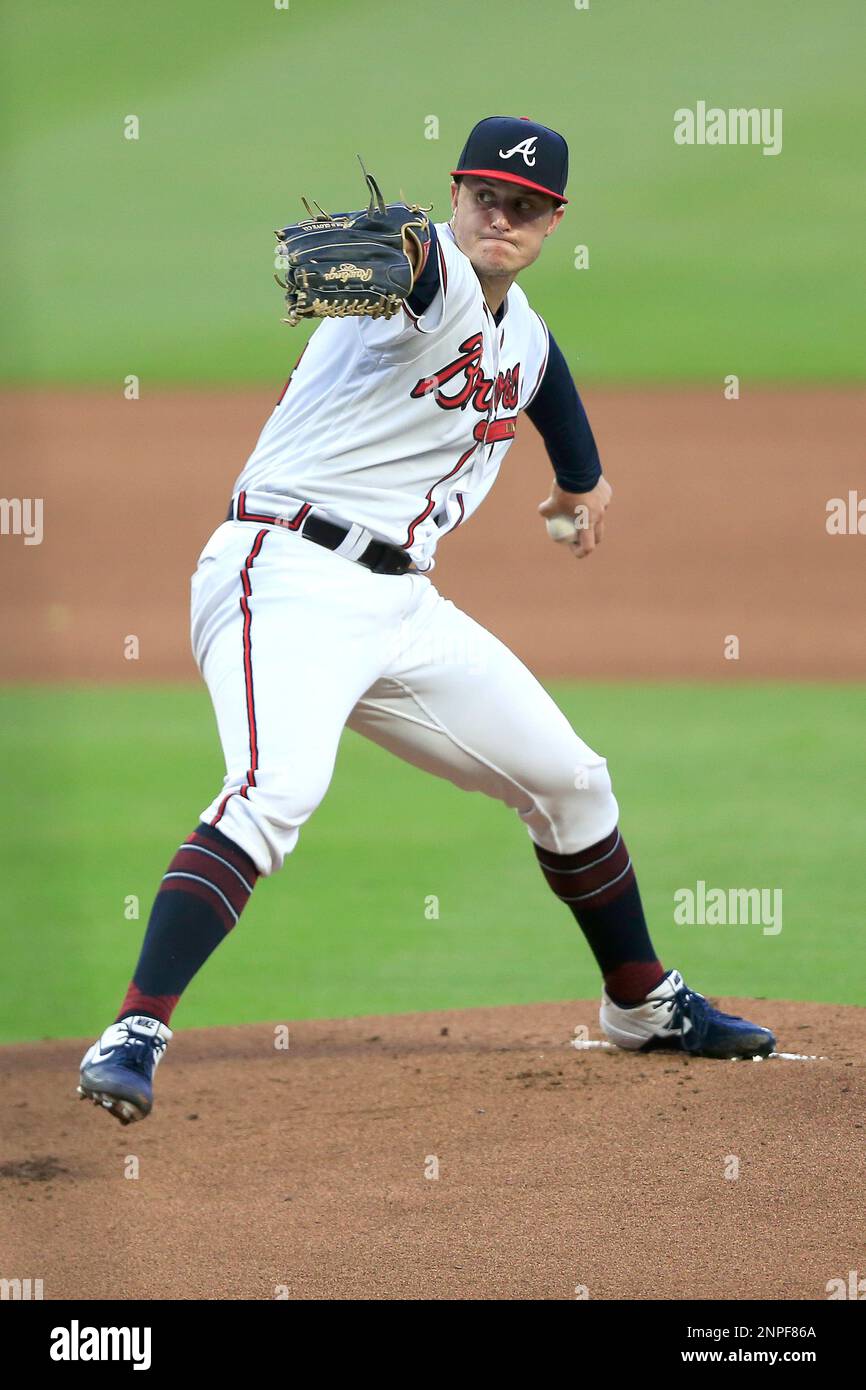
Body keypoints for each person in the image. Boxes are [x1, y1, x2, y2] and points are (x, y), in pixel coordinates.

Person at [78, 116, 775, 1127]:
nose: (501, 216)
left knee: (572, 781)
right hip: (284, 575)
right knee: (276, 790)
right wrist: (403, 256)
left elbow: (543, 376)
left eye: (524, 206)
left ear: (551, 223)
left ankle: (639, 1003)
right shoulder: (429, 273)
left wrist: (581, 483)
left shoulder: (517, 325)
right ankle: (135, 1028)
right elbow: (411, 273)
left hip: (402, 606)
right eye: (485, 196)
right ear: (453, 195)